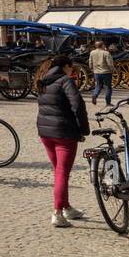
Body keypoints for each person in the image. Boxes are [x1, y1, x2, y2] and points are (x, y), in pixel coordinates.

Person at [36, 54, 90, 227]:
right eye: (71, 68)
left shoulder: (43, 80)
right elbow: (78, 105)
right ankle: (57, 213)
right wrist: (83, 129)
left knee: (59, 171)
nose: (72, 71)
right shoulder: (65, 81)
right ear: (66, 66)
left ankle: (66, 206)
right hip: (64, 132)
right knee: (62, 173)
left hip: (45, 132)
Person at [89, 40, 114, 107]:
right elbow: (110, 63)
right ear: (102, 45)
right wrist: (112, 70)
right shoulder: (106, 53)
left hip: (96, 72)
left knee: (98, 85)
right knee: (108, 87)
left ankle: (95, 95)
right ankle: (108, 102)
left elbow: (90, 62)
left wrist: (92, 69)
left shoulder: (92, 52)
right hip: (106, 72)